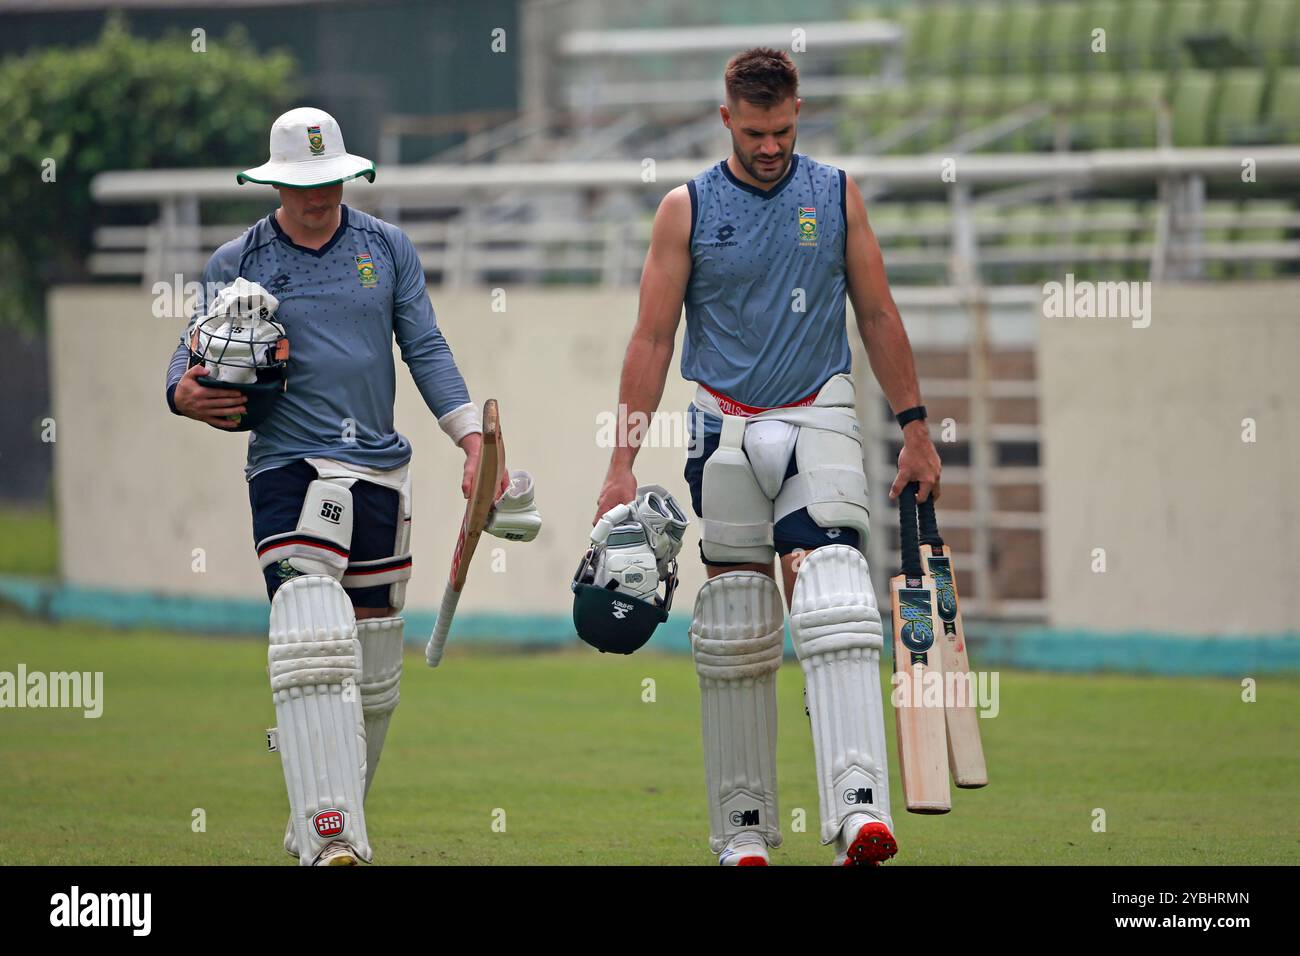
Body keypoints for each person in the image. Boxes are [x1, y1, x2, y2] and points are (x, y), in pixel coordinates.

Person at [592, 49, 942, 866]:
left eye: (783, 129)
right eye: (755, 133)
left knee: (836, 597)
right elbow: (651, 339)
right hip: (722, 427)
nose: (771, 146)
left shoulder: (836, 193)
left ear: (797, 113)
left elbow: (880, 314)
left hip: (817, 409)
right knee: (738, 626)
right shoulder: (685, 208)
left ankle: (860, 811)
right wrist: (621, 463)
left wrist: (916, 426)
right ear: (726, 120)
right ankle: (743, 830)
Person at [165, 107, 484, 865]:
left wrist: (470, 438)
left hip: (382, 467)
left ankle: (322, 824)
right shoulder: (235, 260)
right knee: (312, 635)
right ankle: (330, 845)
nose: (319, 198)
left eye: (331, 182)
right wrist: (182, 393)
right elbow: (188, 358)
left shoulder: (387, 248)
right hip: (288, 466)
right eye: (302, 186)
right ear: (275, 182)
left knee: (373, 675)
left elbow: (426, 346)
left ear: (348, 174)